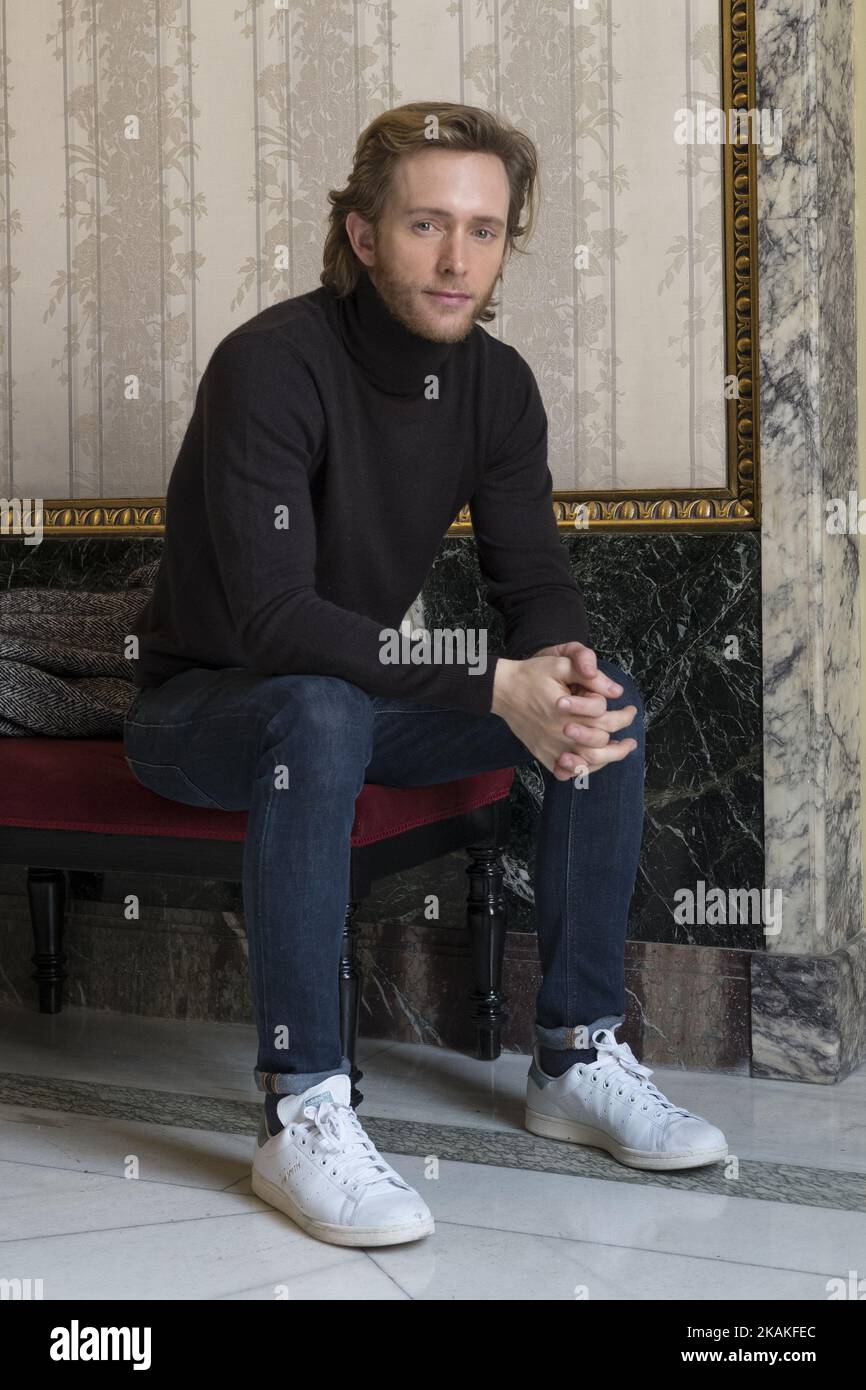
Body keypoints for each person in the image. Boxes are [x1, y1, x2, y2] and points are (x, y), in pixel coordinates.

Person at [123, 101, 727, 1250]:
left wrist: (559, 671)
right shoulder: (269, 364)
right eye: (425, 226)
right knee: (314, 705)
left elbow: (533, 580)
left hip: (349, 709)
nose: (458, 260)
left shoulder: (495, 386)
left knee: (610, 698)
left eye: (486, 231)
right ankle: (302, 1108)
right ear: (361, 234)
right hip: (204, 710)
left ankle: (575, 1052)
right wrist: (487, 683)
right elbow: (274, 618)